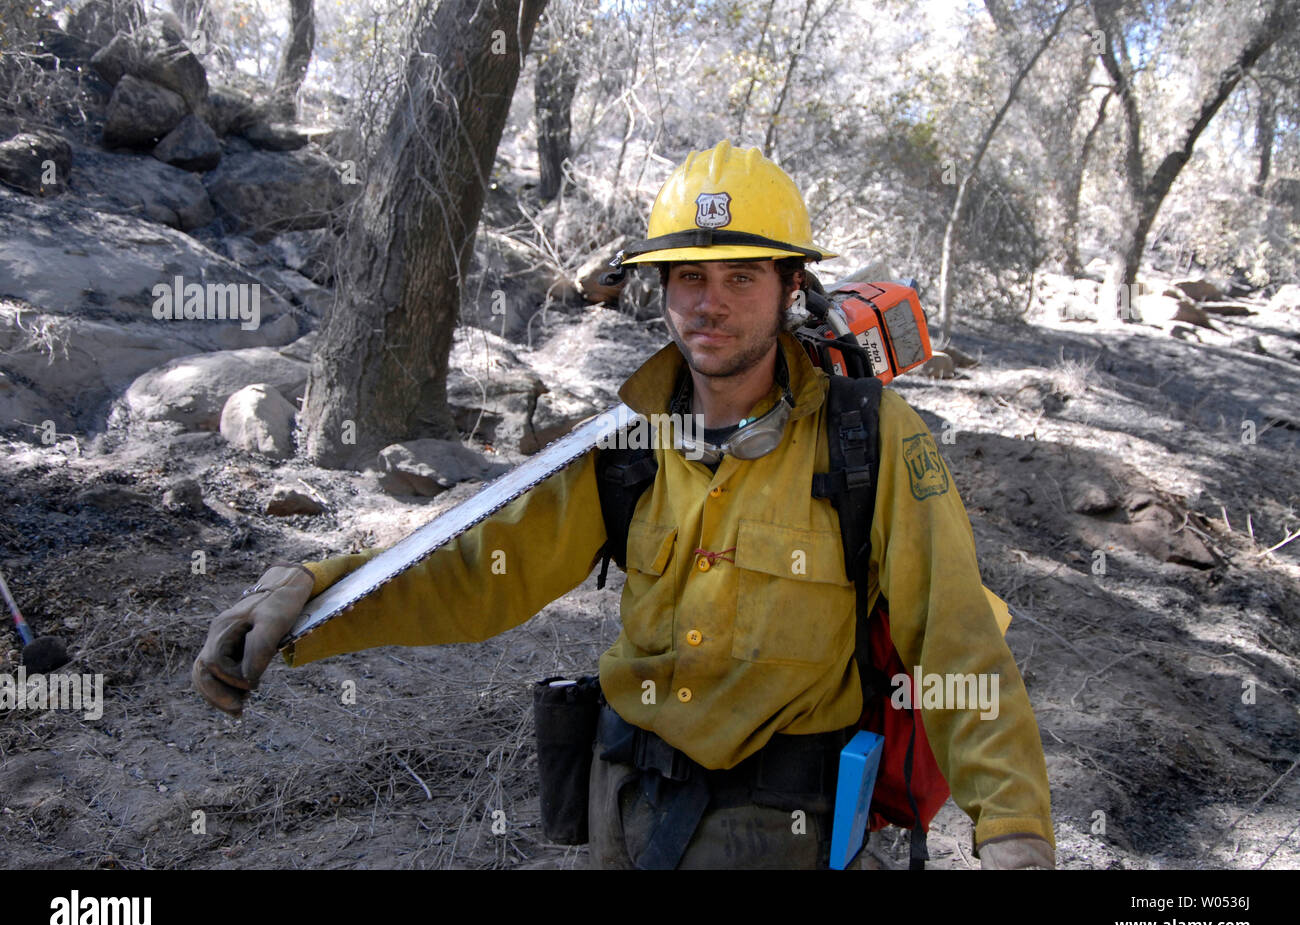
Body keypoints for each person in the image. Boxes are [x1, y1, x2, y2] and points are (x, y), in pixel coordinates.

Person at [193, 140, 1055, 870]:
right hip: (625, 811)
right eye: (686, 275)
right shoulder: (623, 445)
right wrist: (318, 597)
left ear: (791, 288)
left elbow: (954, 635)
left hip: (784, 831)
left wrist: (1013, 830)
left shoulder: (871, 439)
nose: (708, 301)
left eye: (741, 276)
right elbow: (479, 572)